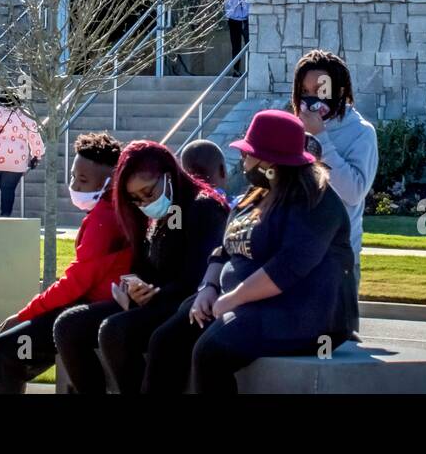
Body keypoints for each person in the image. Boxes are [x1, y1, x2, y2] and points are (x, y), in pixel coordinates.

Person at [143, 109, 358, 394]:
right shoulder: (256, 194)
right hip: (248, 303)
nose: (243, 159)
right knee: (166, 341)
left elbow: (288, 267)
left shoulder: (314, 199)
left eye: (249, 153)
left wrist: (233, 298)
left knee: (212, 350)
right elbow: (225, 248)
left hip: (300, 314)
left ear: (271, 160)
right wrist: (208, 287)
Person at [54, 140, 227, 394]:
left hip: (185, 304)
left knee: (115, 331)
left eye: (148, 192)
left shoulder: (202, 208)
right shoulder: (153, 215)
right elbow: (146, 267)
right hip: (154, 301)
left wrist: (154, 294)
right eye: (135, 198)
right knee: (67, 325)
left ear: (168, 175)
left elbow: (196, 278)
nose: (145, 202)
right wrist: (135, 288)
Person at [0, 132, 132, 394]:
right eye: (74, 176)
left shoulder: (104, 219)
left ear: (111, 182)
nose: (75, 186)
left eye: (83, 180)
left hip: (89, 308)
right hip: (92, 305)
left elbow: (74, 283)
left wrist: (24, 314)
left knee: (4, 351)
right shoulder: (111, 212)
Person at [292, 49, 378, 280]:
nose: (311, 100)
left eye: (320, 91)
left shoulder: (361, 132)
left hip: (336, 258)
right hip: (291, 253)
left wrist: (320, 138)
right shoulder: (293, 127)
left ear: (339, 92)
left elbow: (353, 192)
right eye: (304, 92)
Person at [0, 89, 45, 217]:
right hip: (16, 160)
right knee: (8, 190)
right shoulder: (26, 115)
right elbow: (35, 138)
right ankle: (5, 219)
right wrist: (36, 155)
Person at [223, 0, 251, 76]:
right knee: (249, 45)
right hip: (243, 18)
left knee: (236, 46)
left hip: (232, 19)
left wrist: (229, 15)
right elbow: (245, 3)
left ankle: (236, 70)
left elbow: (227, 4)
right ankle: (250, 69)